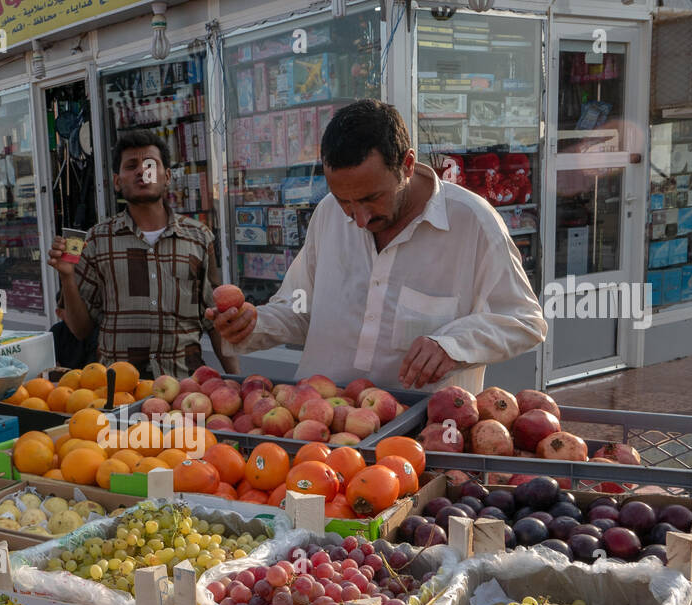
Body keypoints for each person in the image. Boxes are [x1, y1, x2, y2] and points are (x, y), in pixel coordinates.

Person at [212, 99, 546, 393]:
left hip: (421, 434)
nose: (358, 218)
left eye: (372, 198)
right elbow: (302, 311)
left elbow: (524, 320)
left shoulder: (473, 223)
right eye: (346, 201)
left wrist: (453, 345)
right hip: (322, 430)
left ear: (408, 165)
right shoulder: (328, 212)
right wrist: (255, 323)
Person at [47, 131, 239, 379]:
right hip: (119, 392)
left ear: (167, 176)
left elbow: (215, 322)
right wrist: (67, 278)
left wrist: (238, 381)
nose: (141, 171)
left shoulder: (199, 238)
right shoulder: (97, 240)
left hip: (185, 388)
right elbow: (81, 330)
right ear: (117, 181)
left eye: (150, 163)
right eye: (131, 166)